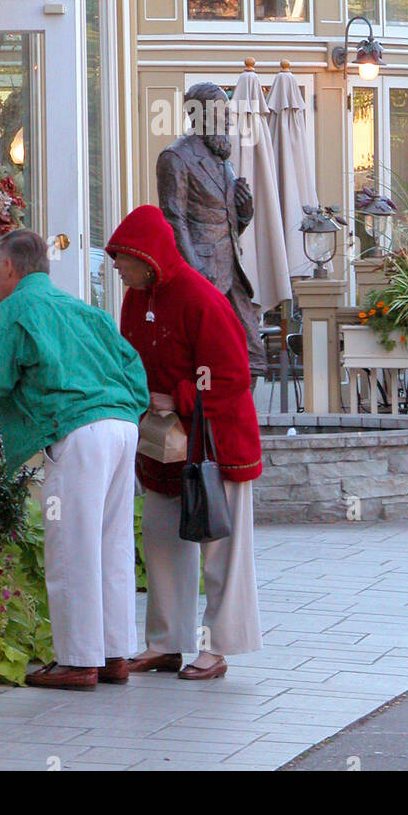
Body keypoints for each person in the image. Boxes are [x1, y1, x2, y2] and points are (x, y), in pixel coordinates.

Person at [0, 228, 148, 691]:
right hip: (122, 425)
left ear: (8, 268)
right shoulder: (84, 309)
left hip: (76, 430)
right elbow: (133, 371)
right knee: (113, 544)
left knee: (72, 546)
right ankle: (114, 654)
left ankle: (79, 661)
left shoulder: (16, 308)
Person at [105, 205, 263, 681]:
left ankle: (217, 648)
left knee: (220, 551)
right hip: (165, 446)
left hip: (217, 447)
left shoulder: (202, 300)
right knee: (160, 542)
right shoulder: (135, 299)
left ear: (146, 257)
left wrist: (176, 396)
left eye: (122, 258)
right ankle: (166, 642)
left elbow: (233, 377)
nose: (116, 266)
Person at [156, 80, 265, 377]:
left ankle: (238, 406)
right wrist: (196, 273)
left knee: (252, 355)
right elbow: (174, 220)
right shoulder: (176, 157)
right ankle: (208, 406)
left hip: (231, 269)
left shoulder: (222, 159)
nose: (229, 117)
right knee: (205, 355)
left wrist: (245, 210)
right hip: (203, 270)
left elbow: (227, 221)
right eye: (222, 110)